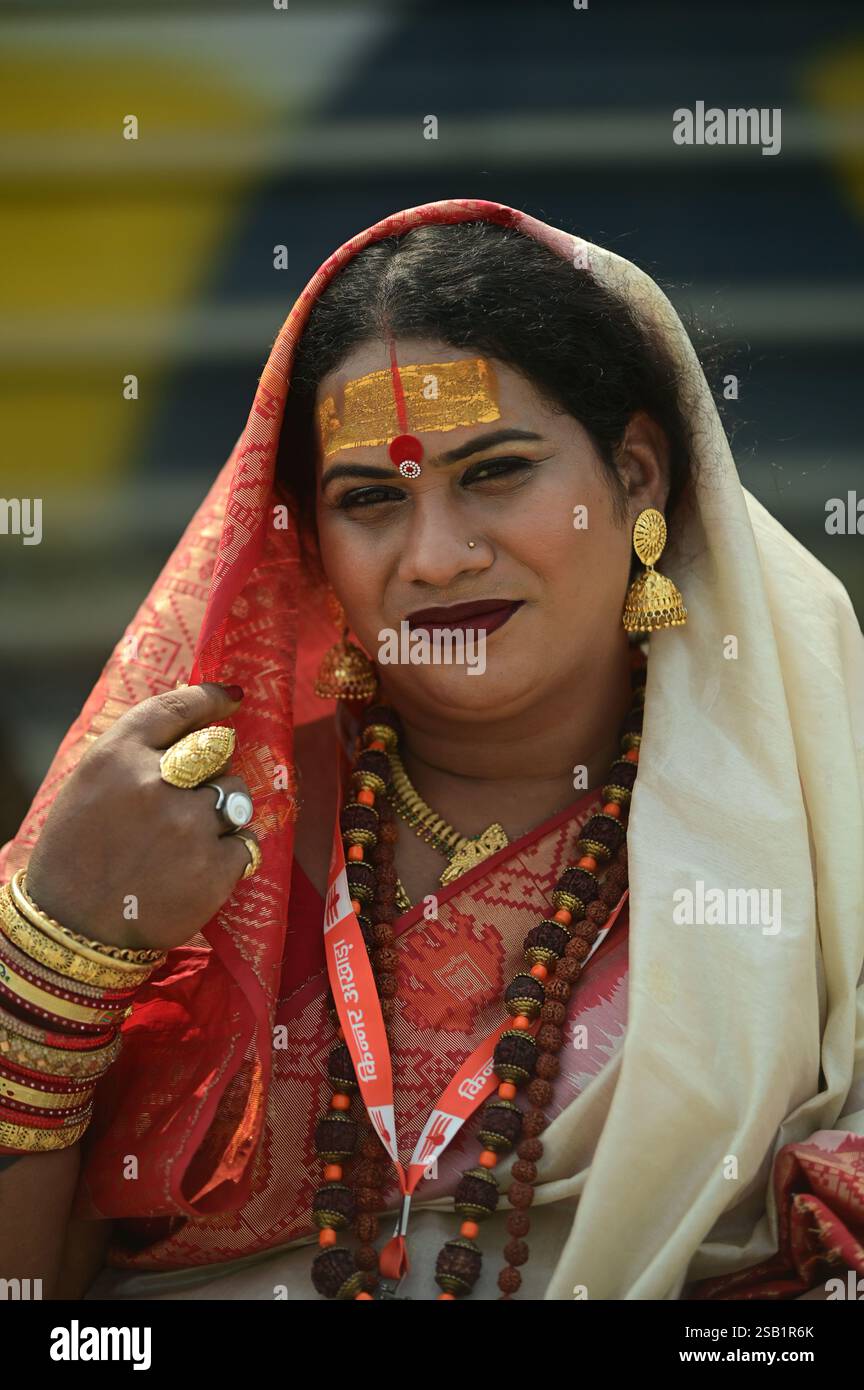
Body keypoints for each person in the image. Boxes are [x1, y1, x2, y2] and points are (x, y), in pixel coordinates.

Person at [0, 199, 861, 1303]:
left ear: (638, 474)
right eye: (370, 499)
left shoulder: (820, 812)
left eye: (495, 471)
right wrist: (53, 961)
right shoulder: (185, 846)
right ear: (311, 542)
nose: (438, 556)